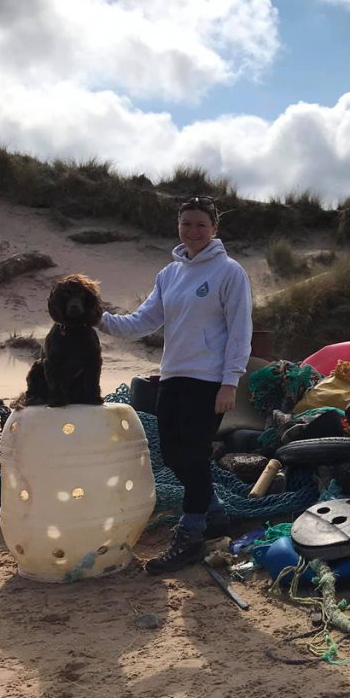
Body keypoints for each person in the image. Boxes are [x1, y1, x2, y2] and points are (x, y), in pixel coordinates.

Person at [100, 196, 252, 574]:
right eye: (186, 223)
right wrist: (97, 318)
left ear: (214, 228)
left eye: (201, 224)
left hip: (208, 382)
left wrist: (229, 382)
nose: (193, 231)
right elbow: (142, 321)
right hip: (172, 377)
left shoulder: (229, 272)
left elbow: (240, 331)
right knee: (171, 454)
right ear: (178, 226)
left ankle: (191, 533)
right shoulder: (169, 274)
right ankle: (214, 512)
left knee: (193, 455)